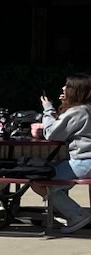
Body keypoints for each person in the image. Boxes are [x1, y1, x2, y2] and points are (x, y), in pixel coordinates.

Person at [35, 73, 91, 233]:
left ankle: (76, 215)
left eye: (67, 86)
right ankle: (67, 213)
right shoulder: (85, 110)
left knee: (40, 180)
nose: (63, 88)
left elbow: (51, 133)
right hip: (85, 162)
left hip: (83, 161)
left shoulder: (78, 112)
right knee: (57, 179)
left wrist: (48, 110)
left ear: (76, 90)